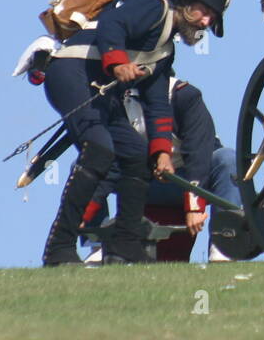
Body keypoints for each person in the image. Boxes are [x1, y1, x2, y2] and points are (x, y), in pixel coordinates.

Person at [40, 0, 234, 265]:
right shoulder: (154, 7)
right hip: (71, 72)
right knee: (100, 149)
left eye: (212, 18)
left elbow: (158, 105)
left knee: (134, 154)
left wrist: (161, 153)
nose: (206, 22)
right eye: (205, 12)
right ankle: (59, 248)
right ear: (186, 2)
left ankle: (125, 245)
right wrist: (117, 64)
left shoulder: (164, 51)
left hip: (100, 89)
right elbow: (112, 24)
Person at [81, 76, 242, 263]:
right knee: (86, 163)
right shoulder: (113, 98)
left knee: (227, 159)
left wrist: (194, 204)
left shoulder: (185, 97)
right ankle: (97, 245)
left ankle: (223, 243)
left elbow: (198, 155)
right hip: (141, 180)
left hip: (189, 179)